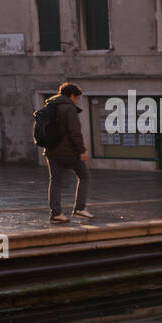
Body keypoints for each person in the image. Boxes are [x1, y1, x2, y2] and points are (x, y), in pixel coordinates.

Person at [43, 83, 93, 223]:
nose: (76, 100)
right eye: (77, 98)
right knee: (84, 175)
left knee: (55, 182)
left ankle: (56, 214)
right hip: (68, 151)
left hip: (51, 151)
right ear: (72, 95)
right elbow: (74, 132)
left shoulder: (49, 105)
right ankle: (80, 208)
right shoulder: (69, 108)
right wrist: (82, 151)